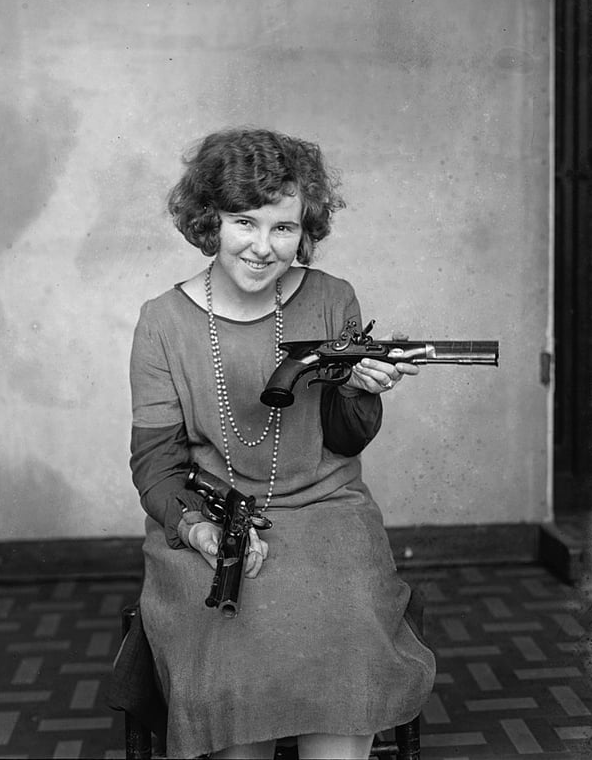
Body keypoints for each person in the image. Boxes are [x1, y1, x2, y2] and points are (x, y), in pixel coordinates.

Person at [128, 127, 436, 759]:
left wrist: (362, 389)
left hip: (328, 511)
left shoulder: (332, 298)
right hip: (209, 517)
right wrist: (198, 533)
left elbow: (346, 440)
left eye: (284, 228)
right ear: (210, 220)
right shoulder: (162, 320)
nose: (264, 248)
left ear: (305, 230)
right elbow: (157, 467)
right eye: (245, 222)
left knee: (346, 624)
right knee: (230, 643)